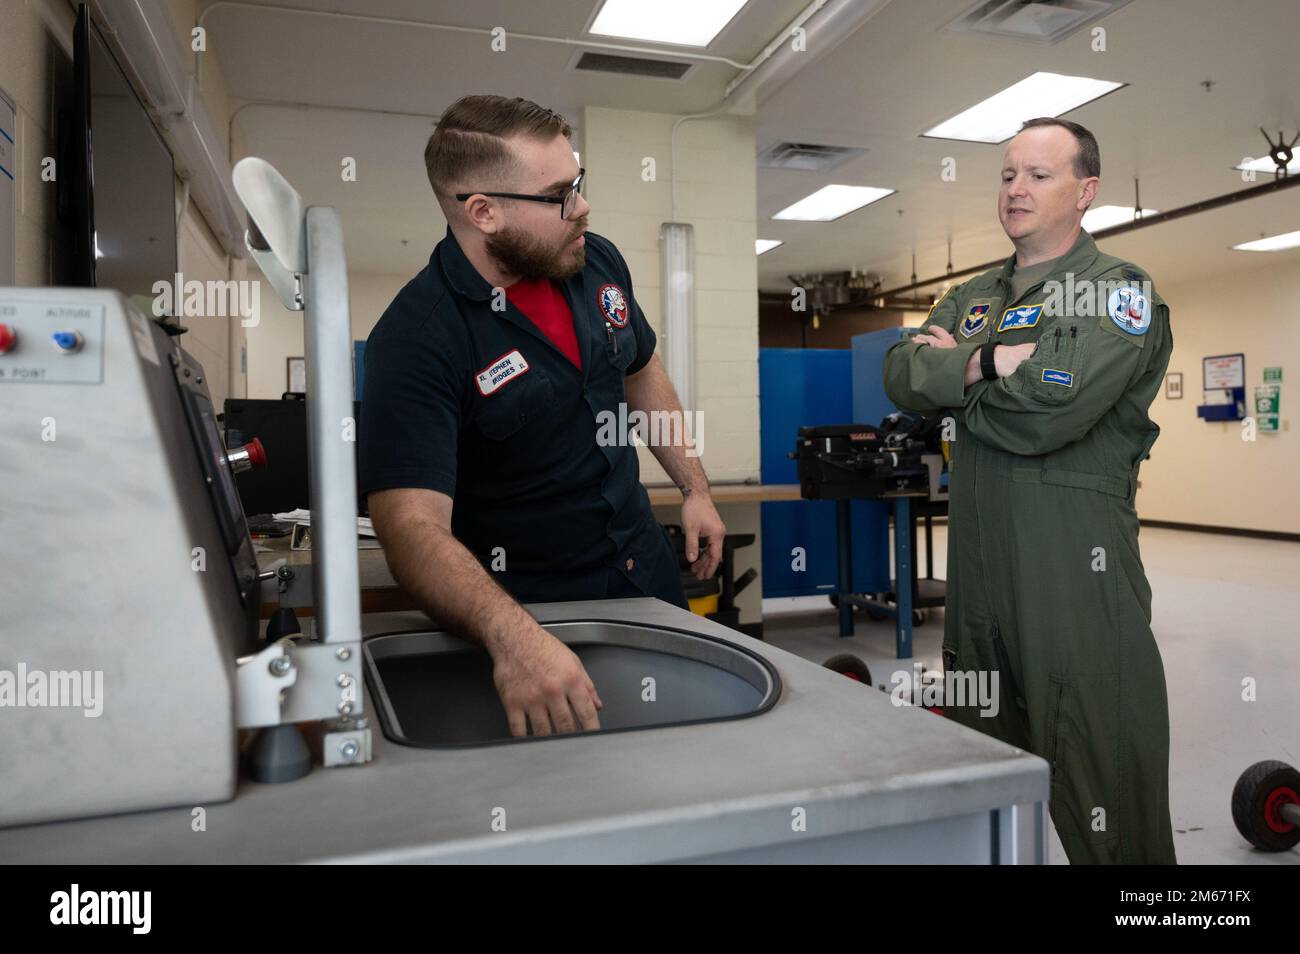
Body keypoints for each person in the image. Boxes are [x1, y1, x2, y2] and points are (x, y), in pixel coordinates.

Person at [359, 95, 725, 739]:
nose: (582, 207)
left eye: (578, 183)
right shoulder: (418, 339)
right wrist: (516, 642)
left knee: (685, 748)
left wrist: (693, 486)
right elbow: (410, 529)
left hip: (642, 570)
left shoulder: (594, 262)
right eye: (560, 195)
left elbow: (641, 368)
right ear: (485, 212)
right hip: (531, 612)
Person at [883, 117, 1177, 864]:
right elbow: (898, 376)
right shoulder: (973, 296)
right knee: (986, 796)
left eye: (1038, 176)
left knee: (1109, 804)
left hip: (1075, 587)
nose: (1016, 189)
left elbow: (1051, 411)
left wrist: (956, 381)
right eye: (1008, 174)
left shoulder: (1116, 293)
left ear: (1087, 192)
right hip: (978, 593)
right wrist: (989, 364)